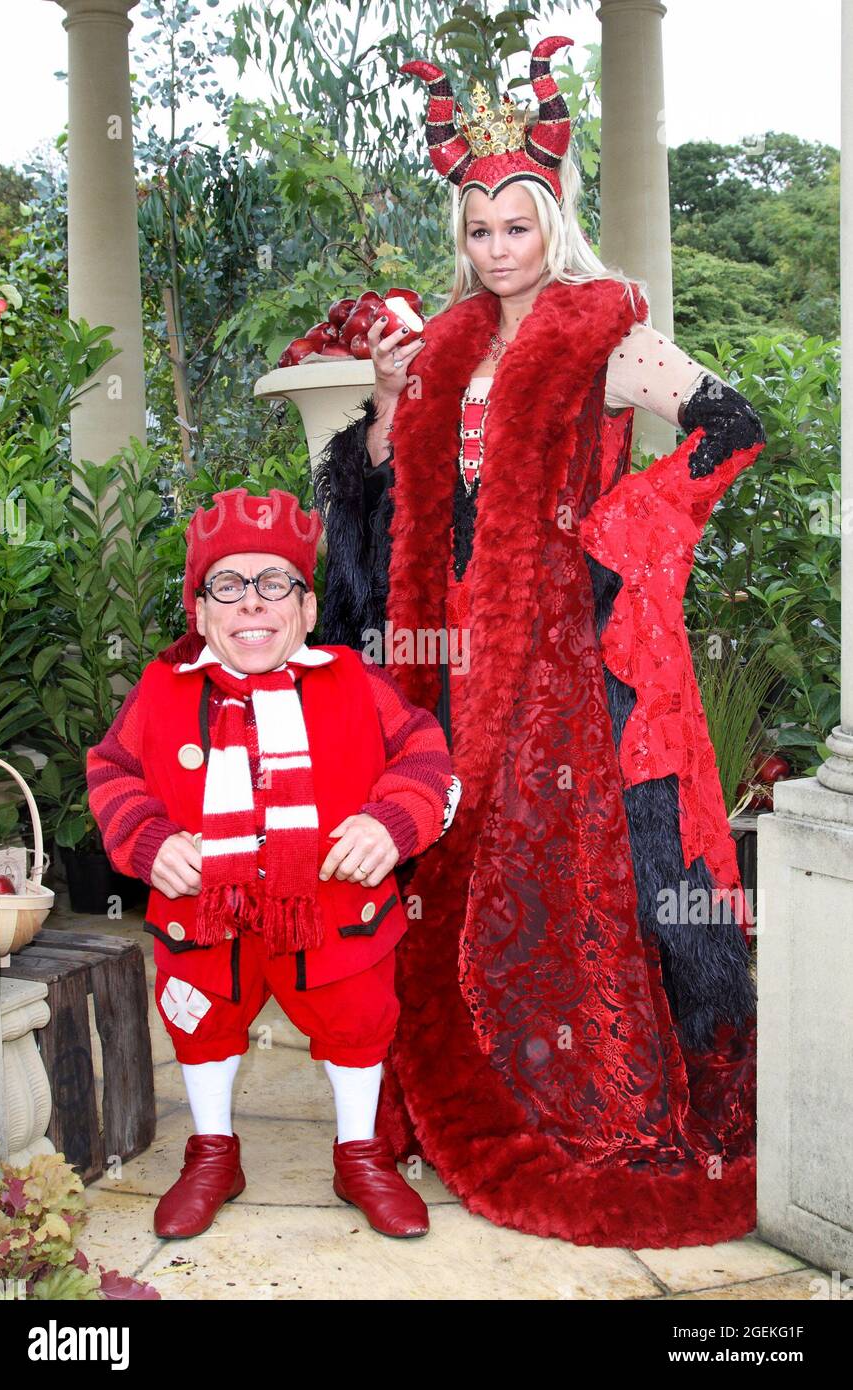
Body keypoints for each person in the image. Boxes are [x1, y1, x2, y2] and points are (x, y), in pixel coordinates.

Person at [313, 36, 768, 1248]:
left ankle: (565, 1091)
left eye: (515, 225)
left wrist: (625, 534)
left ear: (550, 221)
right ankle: (442, 1078)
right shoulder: (451, 346)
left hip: (561, 653)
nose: (495, 249)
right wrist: (383, 400)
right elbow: (388, 497)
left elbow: (730, 425)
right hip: (442, 639)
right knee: (438, 834)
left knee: (549, 864)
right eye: (476, 230)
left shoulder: (604, 331)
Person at [86, 487, 458, 1241]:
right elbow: (111, 770)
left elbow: (427, 755)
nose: (250, 603)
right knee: (202, 1025)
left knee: (357, 1022)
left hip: (334, 913)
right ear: (200, 615)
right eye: (227, 586)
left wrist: (391, 822)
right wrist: (151, 842)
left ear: (308, 609)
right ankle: (214, 1153)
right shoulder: (162, 690)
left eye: (273, 584)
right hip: (204, 917)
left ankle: (360, 1156)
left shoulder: (355, 681)